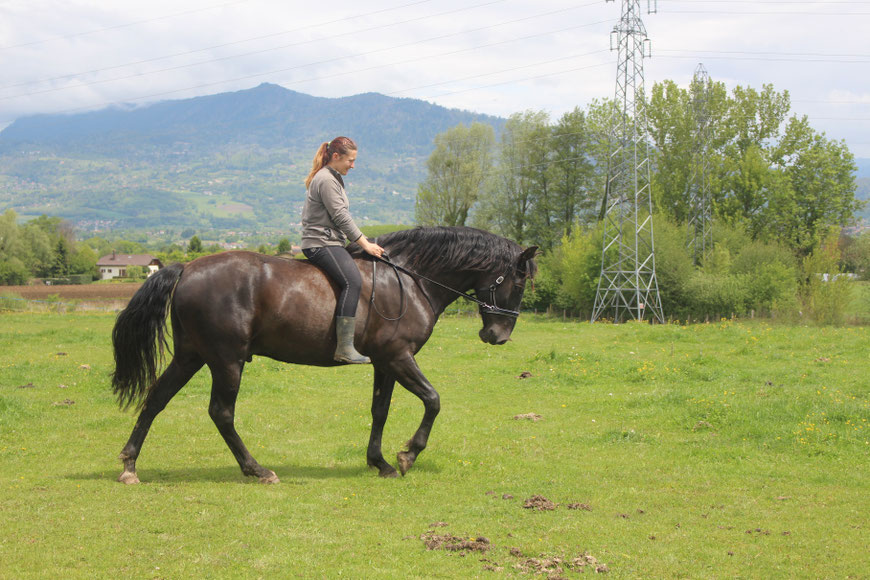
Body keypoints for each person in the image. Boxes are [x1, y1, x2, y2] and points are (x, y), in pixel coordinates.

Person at [301, 136, 385, 364]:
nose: (353, 165)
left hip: (330, 241)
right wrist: (364, 243)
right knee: (353, 281)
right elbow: (340, 216)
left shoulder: (332, 177)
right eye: (351, 160)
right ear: (336, 157)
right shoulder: (327, 180)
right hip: (321, 243)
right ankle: (345, 347)